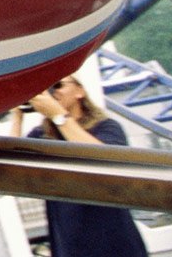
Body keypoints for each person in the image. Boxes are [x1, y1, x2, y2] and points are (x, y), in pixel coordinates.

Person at [11, 74, 150, 256]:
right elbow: (12, 172)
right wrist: (17, 116)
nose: (53, 92)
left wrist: (59, 116)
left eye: (58, 85)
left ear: (80, 91)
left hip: (114, 243)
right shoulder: (42, 136)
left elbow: (103, 160)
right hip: (69, 245)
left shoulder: (106, 127)